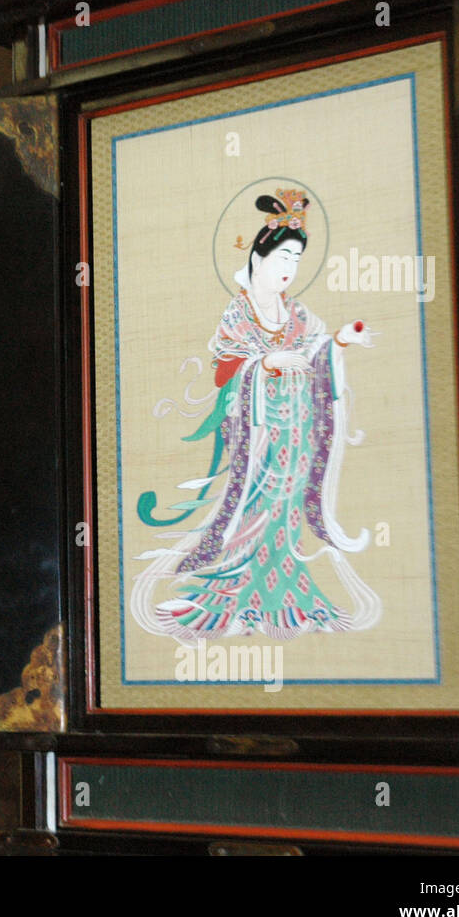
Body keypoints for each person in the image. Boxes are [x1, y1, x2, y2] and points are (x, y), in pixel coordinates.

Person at [128, 189, 380, 640]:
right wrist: (266, 364)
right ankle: (236, 597)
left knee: (286, 514)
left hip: (297, 429)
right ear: (258, 258)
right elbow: (225, 369)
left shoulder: (297, 313)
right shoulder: (239, 312)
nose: (288, 269)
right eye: (282, 257)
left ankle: (283, 595)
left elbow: (314, 352)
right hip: (259, 433)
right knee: (253, 509)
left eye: (296, 261)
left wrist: (339, 341)